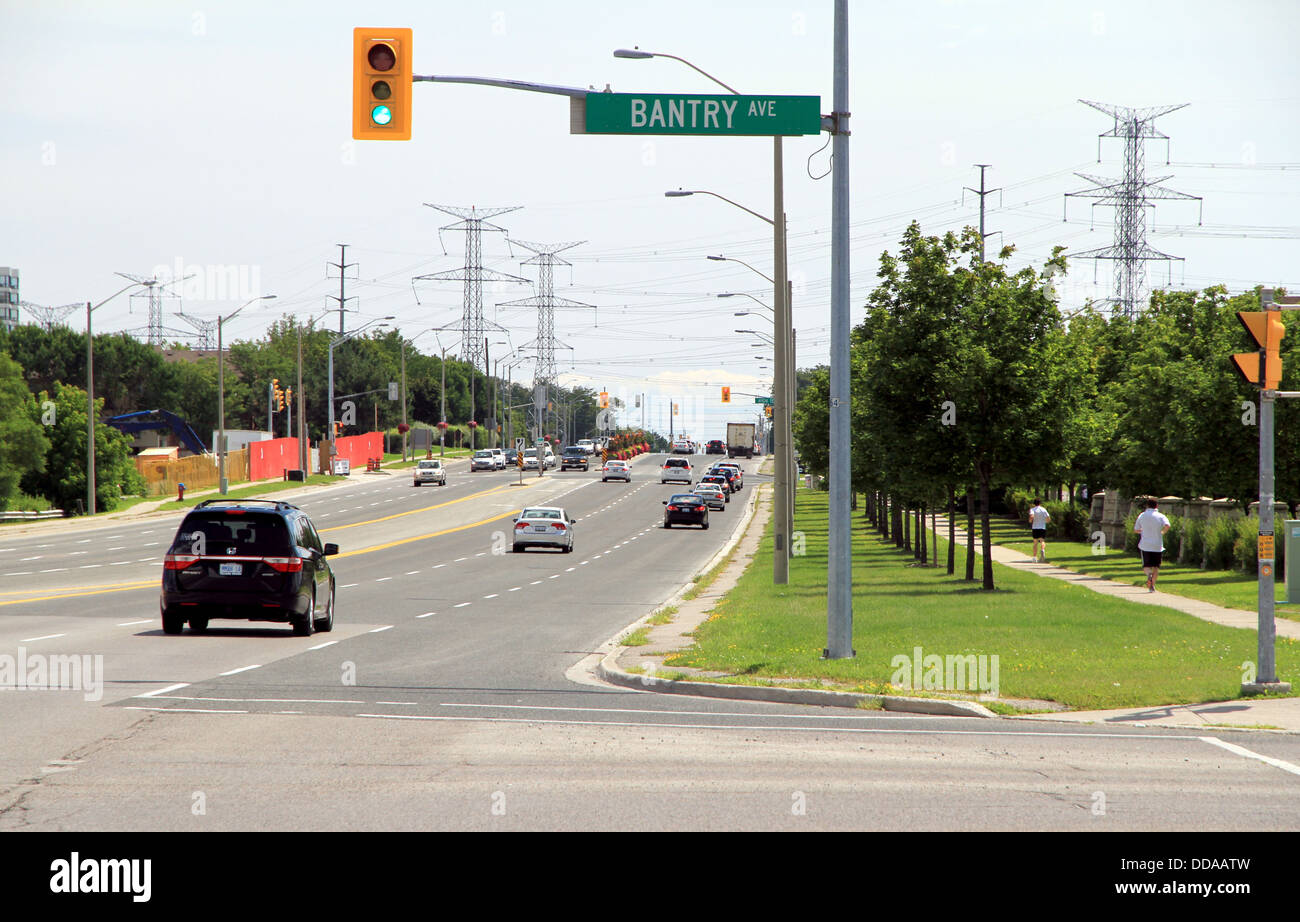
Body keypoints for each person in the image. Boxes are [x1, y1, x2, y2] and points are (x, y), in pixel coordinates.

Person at [1133, 498, 1172, 592]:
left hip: (1145, 544)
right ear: (1156, 506)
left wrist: (1142, 531)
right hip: (1157, 545)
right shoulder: (1160, 516)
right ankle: (1152, 586)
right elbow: (1167, 525)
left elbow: (1136, 529)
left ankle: (1149, 575)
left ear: (1147, 505)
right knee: (1156, 566)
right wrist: (1162, 532)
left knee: (1146, 566)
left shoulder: (1142, 515)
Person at [1028, 498, 1050, 562]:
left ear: (1034, 503)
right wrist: (1047, 521)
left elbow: (1031, 516)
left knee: (1035, 542)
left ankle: (1034, 557)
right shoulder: (1043, 509)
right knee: (1042, 541)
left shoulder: (1032, 509)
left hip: (1035, 527)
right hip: (1042, 527)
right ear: (1040, 503)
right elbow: (1048, 517)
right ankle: (1042, 549)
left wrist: (1030, 520)